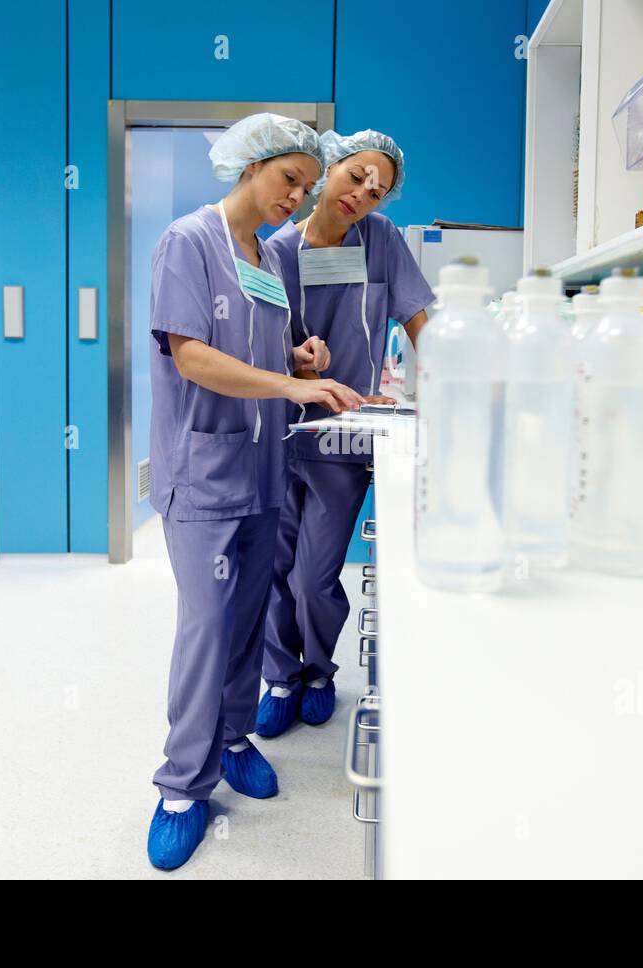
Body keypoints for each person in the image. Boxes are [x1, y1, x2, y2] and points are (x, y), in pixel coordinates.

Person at [145, 114, 365, 871]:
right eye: (288, 179)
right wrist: (285, 383)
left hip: (263, 467)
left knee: (247, 618)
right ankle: (180, 787)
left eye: (308, 184)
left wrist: (300, 362)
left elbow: (264, 348)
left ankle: (233, 736)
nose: (298, 196)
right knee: (205, 625)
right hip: (203, 470)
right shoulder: (189, 241)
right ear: (249, 167)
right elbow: (195, 357)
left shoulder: (266, 257)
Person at [256, 129, 435, 736]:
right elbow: (258, 349)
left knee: (314, 574)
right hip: (281, 431)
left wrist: (445, 386)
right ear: (329, 168)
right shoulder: (276, 251)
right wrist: (296, 361)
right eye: (356, 175)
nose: (363, 193)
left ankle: (320, 669)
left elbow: (418, 320)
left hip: (343, 434)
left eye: (378, 190)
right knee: (276, 568)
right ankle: (281, 674)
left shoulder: (380, 240)